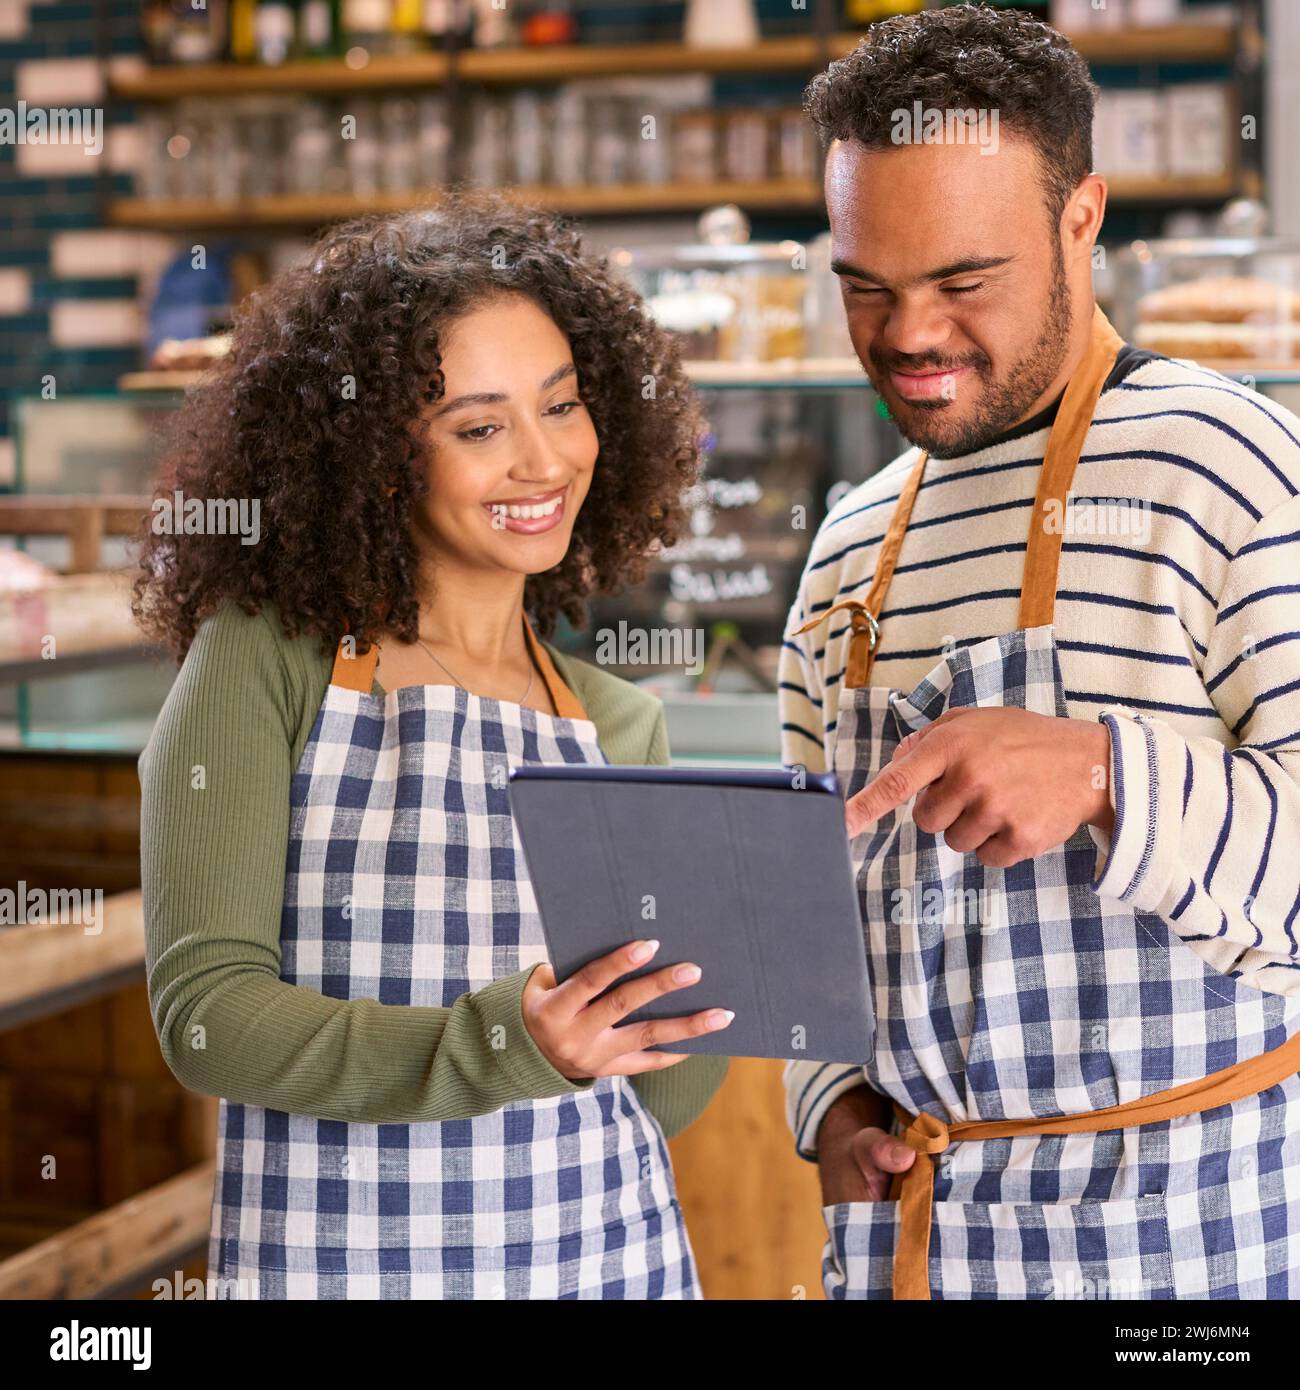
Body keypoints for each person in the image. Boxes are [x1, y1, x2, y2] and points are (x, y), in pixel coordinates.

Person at [781, 6, 1300, 1301]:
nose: (908, 336)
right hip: (923, 1251)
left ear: (1085, 220)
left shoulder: (1224, 466)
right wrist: (830, 1098)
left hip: (1190, 1254)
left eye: (964, 282)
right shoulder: (851, 547)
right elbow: (801, 909)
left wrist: (1110, 774)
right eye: (866, 286)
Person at [135, 196, 732, 1300]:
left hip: (602, 1255)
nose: (543, 461)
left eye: (563, 405)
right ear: (371, 457)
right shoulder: (266, 660)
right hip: (346, 1265)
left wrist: (729, 972)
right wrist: (504, 1042)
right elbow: (206, 1015)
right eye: (479, 426)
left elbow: (658, 1096)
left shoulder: (619, 723)